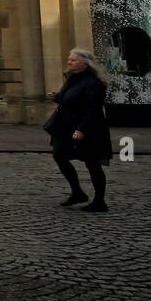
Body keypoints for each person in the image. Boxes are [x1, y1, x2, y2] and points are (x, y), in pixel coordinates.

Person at [44, 48, 113, 212]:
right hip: (66, 126)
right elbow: (67, 97)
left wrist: (82, 129)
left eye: (73, 60)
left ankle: (99, 201)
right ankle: (77, 192)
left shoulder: (94, 83)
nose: (69, 62)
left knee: (92, 162)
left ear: (85, 63)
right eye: (69, 59)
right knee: (59, 155)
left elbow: (93, 109)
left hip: (89, 128)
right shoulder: (72, 78)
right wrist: (56, 97)